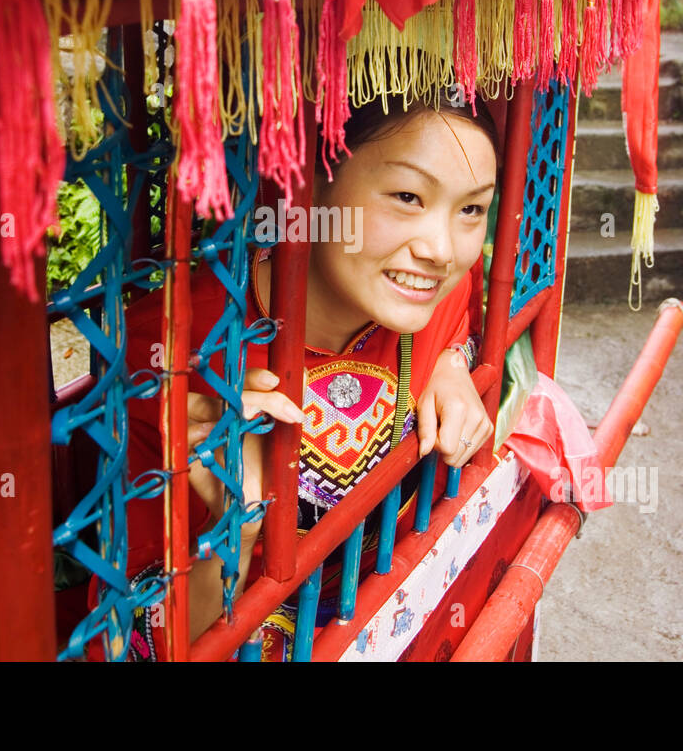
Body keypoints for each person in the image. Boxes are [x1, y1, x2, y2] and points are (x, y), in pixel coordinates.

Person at [97, 83, 502, 661]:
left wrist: (454, 364)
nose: (441, 249)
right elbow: (144, 642)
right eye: (408, 197)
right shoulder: (170, 352)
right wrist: (234, 526)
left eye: (471, 209)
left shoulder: (439, 296)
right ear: (309, 187)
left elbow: (462, 313)